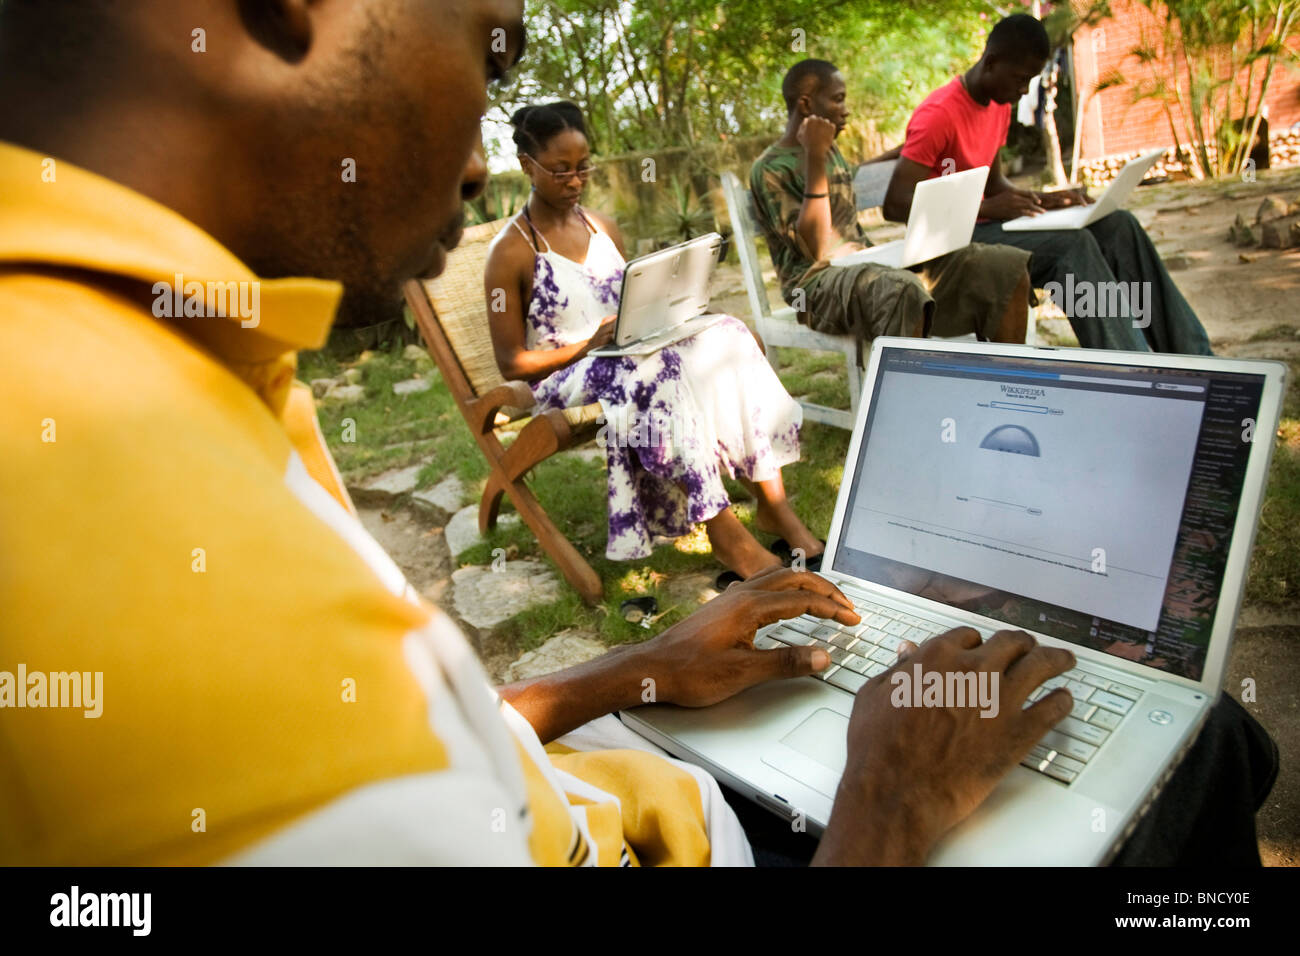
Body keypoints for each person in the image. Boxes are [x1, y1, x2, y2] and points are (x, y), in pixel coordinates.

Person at [0, 0, 1272, 868]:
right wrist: (886, 801)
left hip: (622, 783)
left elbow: (387, 747)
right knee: (1210, 735)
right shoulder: (106, 487)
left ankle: (769, 535)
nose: (479, 160)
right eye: (490, 52)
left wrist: (628, 673)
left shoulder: (162, 369)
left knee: (706, 348)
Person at [484, 101, 821, 580]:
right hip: (563, 377)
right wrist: (584, 346)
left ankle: (772, 504)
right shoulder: (510, 253)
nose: (576, 181)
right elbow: (511, 363)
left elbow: (631, 306)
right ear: (526, 166)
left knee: (728, 334)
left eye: (584, 168)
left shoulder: (602, 227)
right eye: (560, 171)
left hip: (626, 354)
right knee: (655, 369)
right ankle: (726, 535)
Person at [883, 13, 1214, 355]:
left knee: (1119, 226)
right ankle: (1130, 368)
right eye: (1019, 79)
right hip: (947, 246)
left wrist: (1048, 200)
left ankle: (1195, 357)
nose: (1024, 90)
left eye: (1030, 80)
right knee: (1072, 246)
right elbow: (895, 205)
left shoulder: (997, 106)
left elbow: (994, 185)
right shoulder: (939, 113)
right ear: (991, 62)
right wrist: (984, 208)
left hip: (982, 228)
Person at [750, 59, 1034, 363]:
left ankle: (1010, 390)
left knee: (1004, 266)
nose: (846, 109)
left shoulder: (830, 152)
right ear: (806, 104)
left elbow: (850, 180)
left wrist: (902, 151)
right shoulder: (770, 169)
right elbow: (816, 248)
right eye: (838, 99)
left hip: (866, 264)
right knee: (901, 290)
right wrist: (814, 156)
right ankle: (906, 402)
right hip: (814, 286)